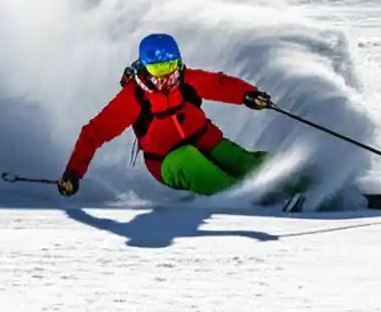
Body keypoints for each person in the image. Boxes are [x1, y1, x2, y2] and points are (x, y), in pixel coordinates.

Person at [58, 33, 272, 197]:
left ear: (178, 62)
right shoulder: (134, 96)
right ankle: (246, 197)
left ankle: (282, 180)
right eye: (156, 69)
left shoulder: (187, 80)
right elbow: (94, 132)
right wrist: (73, 172)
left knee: (239, 160)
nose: (165, 76)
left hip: (205, 140)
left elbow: (219, 84)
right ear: (144, 68)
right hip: (167, 160)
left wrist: (248, 95)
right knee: (193, 161)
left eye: (169, 66)